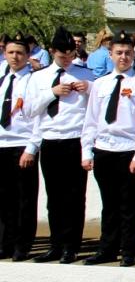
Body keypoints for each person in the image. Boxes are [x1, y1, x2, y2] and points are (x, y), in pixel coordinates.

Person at [23, 27, 95, 263]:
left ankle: (71, 245)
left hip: (75, 140)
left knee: (75, 197)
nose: (66, 60)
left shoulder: (86, 75)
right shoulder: (39, 77)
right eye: (61, 55)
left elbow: (96, 110)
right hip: (51, 141)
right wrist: (51, 93)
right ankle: (55, 244)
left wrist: (89, 89)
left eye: (70, 55)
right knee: (54, 198)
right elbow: (30, 110)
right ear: (52, 52)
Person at [80, 30, 135, 266]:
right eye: (119, 52)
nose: (123, 57)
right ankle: (107, 249)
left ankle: (129, 250)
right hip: (104, 149)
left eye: (128, 53)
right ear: (110, 54)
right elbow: (91, 120)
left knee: (129, 204)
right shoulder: (100, 84)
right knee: (108, 204)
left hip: (128, 150)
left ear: (134, 55)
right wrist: (87, 151)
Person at [0, 32, 41, 260]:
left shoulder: (34, 80)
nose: (15, 57)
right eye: (11, 52)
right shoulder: (2, 79)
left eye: (20, 53)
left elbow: (38, 118)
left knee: (24, 199)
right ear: (5, 54)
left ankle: (22, 245)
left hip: (22, 145)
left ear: (28, 56)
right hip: (2, 144)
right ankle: (4, 243)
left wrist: (31, 147)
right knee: (4, 198)